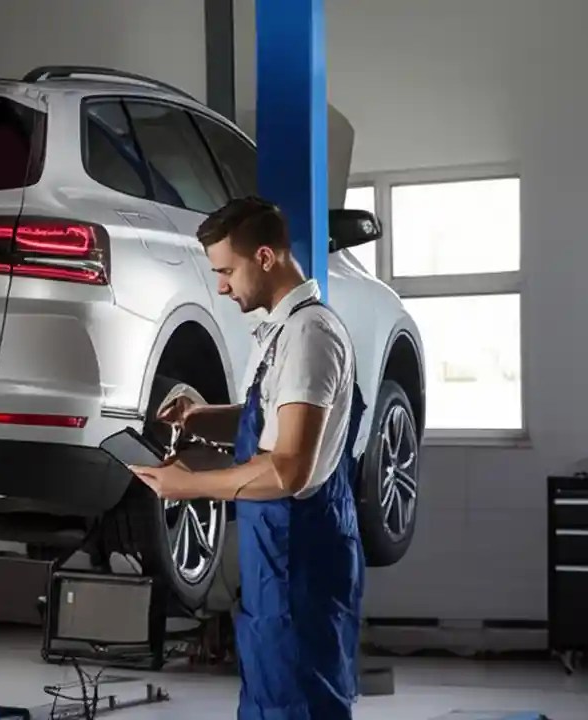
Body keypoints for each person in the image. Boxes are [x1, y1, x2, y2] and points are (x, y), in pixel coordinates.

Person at [129, 196, 366, 719]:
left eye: (226, 271)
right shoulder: (283, 330)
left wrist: (186, 486)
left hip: (300, 559)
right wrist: (199, 417)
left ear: (264, 257)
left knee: (298, 703)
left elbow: (288, 469)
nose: (221, 286)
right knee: (271, 698)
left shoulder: (309, 336)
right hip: (277, 561)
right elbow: (272, 418)